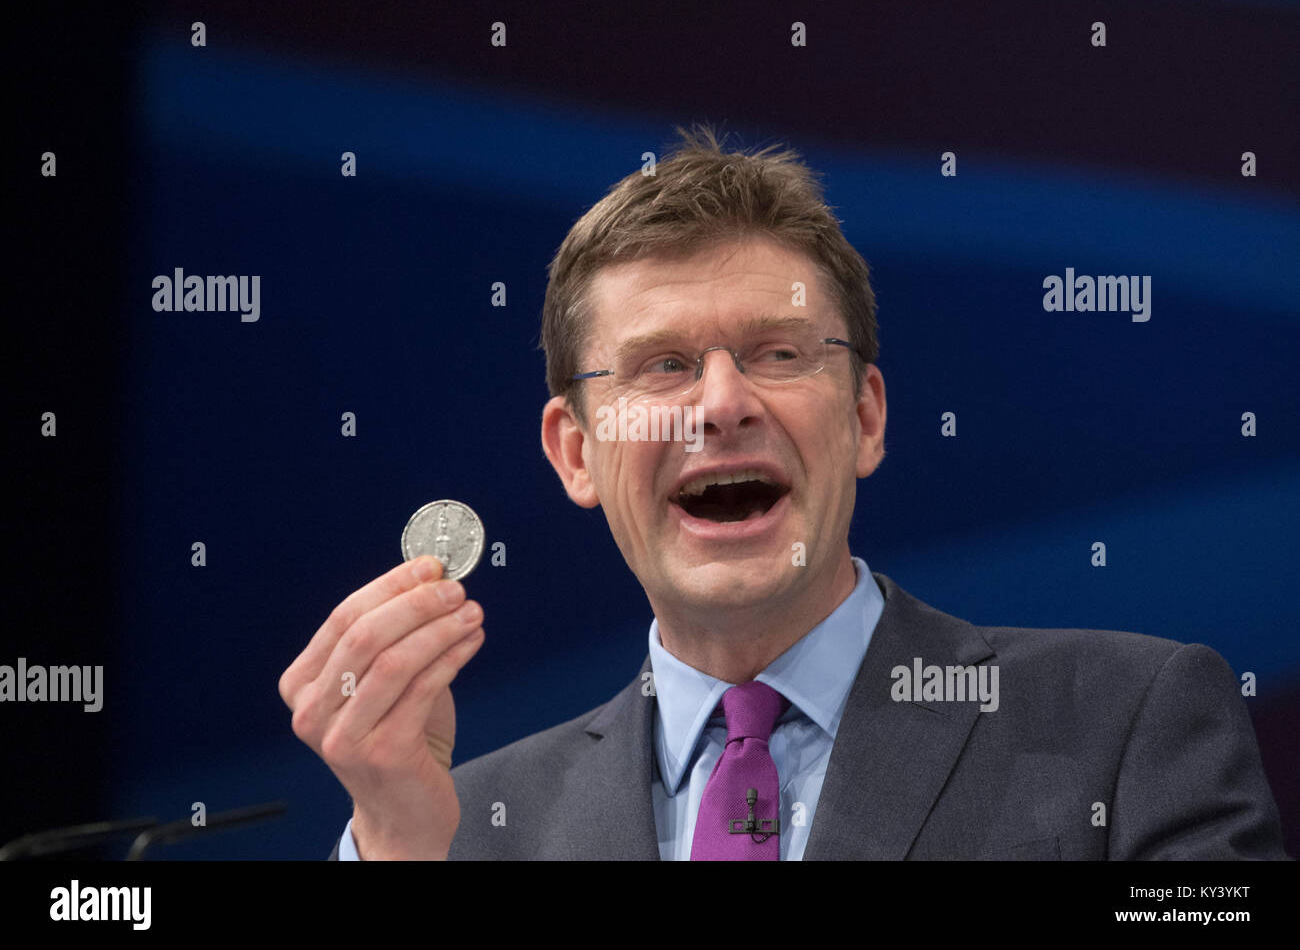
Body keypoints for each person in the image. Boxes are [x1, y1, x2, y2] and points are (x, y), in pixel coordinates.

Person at [278, 125, 1287, 860]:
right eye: (662, 365)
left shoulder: (1127, 726)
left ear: (865, 417)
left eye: (777, 351)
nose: (722, 403)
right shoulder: (464, 827)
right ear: (574, 451)